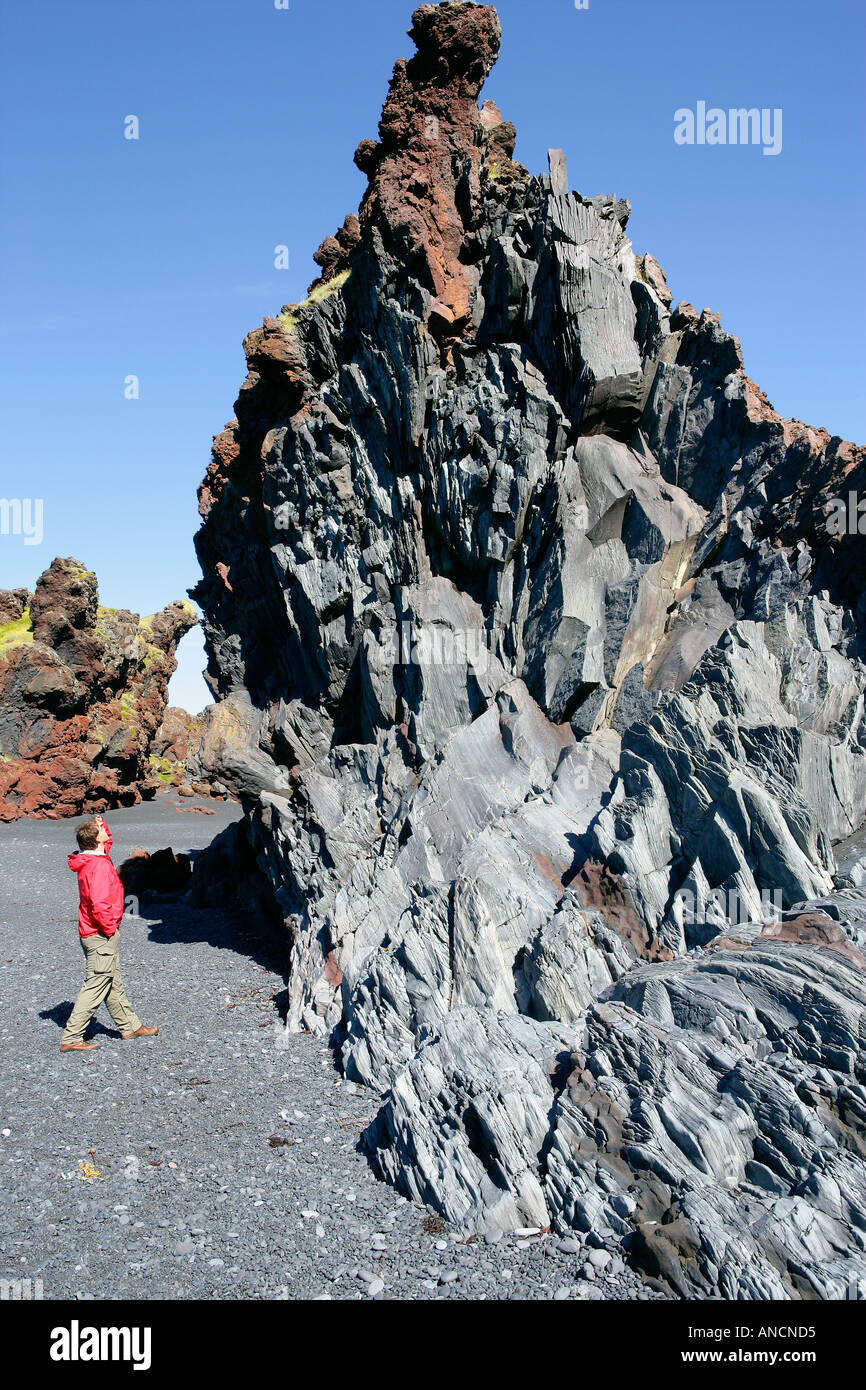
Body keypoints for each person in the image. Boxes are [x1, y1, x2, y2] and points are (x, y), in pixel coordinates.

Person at [60, 815, 159, 1053]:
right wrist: (110, 927)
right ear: (95, 840)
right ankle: (72, 1036)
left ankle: (130, 1026)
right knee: (96, 984)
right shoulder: (99, 866)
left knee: (112, 982)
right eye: (100, 830)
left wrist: (102, 825)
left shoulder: (93, 858)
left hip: (93, 930)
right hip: (99, 933)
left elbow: (106, 845)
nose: (104, 832)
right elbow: (99, 903)